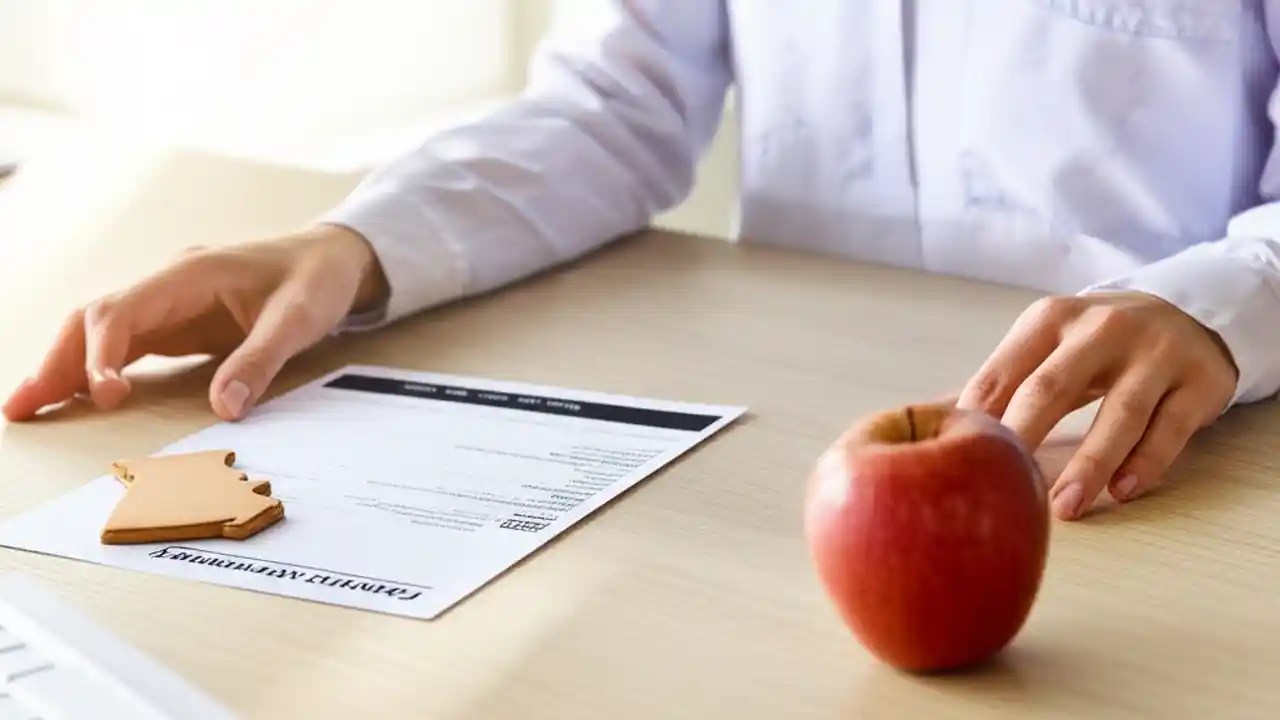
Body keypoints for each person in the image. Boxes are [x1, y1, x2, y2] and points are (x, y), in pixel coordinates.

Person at [4, 2, 1275, 522]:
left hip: (1140, 470)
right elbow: (612, 107)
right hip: (791, 453)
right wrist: (351, 246)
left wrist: (1214, 308)